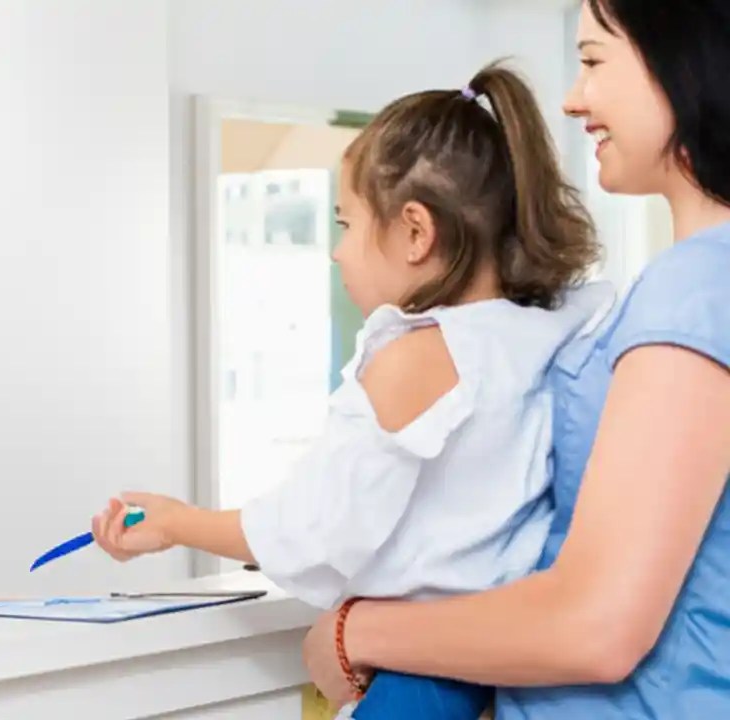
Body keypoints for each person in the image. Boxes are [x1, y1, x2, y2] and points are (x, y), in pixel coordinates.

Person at [90, 60, 610, 718]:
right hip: (503, 666)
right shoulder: (549, 328)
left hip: (420, 674)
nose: (338, 253)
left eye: (347, 225)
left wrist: (177, 523)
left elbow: (313, 532)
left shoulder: (415, 357)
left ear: (417, 232)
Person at [299, 1, 730, 718]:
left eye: (593, 61)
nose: (572, 98)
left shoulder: (693, 288)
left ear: (680, 61)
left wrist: (356, 630)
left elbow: (597, 625)